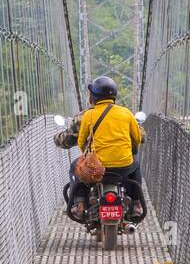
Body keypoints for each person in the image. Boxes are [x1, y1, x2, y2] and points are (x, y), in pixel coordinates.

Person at [62, 76, 146, 223]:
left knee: (74, 167)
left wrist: (88, 156)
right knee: (136, 165)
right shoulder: (126, 113)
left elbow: (82, 141)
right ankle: (136, 204)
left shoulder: (88, 115)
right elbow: (137, 138)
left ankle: (80, 205)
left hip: (97, 168)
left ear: (93, 97)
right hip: (123, 167)